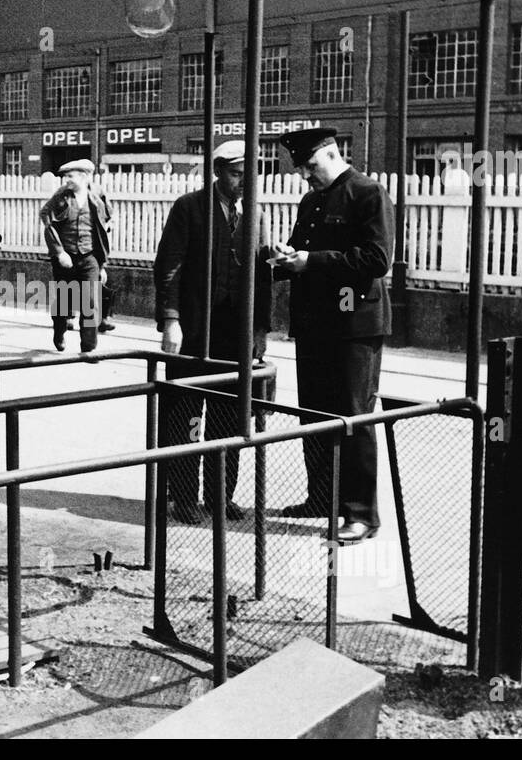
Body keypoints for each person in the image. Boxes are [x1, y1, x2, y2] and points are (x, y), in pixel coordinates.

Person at [272, 127, 393, 546]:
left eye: (310, 165)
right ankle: (322, 497)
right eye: (301, 168)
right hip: (315, 324)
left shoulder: (368, 193)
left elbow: (377, 259)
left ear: (332, 153)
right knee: (315, 413)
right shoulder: (312, 200)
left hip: (353, 325)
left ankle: (361, 514)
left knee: (353, 415)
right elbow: (301, 249)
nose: (306, 175)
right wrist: (286, 258)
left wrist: (313, 261)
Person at [153, 140, 272, 523]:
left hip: (233, 336)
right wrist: (171, 320)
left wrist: (260, 330)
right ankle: (184, 496)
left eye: (250, 174)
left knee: (227, 417)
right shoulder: (190, 208)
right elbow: (168, 266)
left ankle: (220, 496)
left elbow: (263, 276)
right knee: (187, 415)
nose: (244, 182)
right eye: (237, 174)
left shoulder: (256, 214)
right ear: (218, 171)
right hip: (193, 330)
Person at [40, 158, 110, 353]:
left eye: (71, 176)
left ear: (84, 176)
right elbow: (45, 216)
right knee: (64, 300)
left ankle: (88, 347)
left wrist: (102, 265)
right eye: (65, 176)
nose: (67, 180)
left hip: (89, 257)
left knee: (90, 302)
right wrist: (59, 251)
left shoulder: (97, 195)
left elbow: (106, 223)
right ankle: (59, 330)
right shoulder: (62, 196)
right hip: (65, 257)